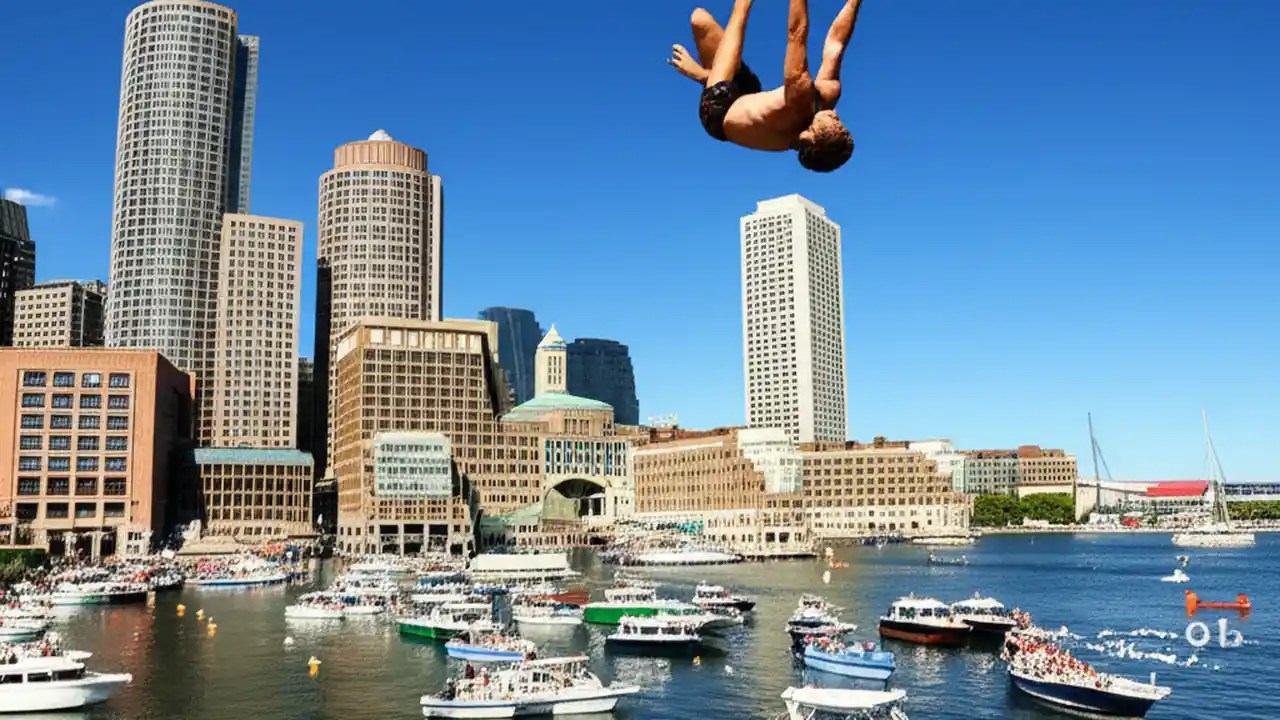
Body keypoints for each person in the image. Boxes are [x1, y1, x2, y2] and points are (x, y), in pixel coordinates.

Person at [669, 0, 862, 172]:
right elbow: (836, 45)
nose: (836, 115)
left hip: (718, 110)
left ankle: (703, 76)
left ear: (809, 134)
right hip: (749, 92)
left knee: (741, 8)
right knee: (699, 18)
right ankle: (704, 75)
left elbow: (797, 33)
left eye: (835, 124)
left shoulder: (798, 100)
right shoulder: (825, 100)